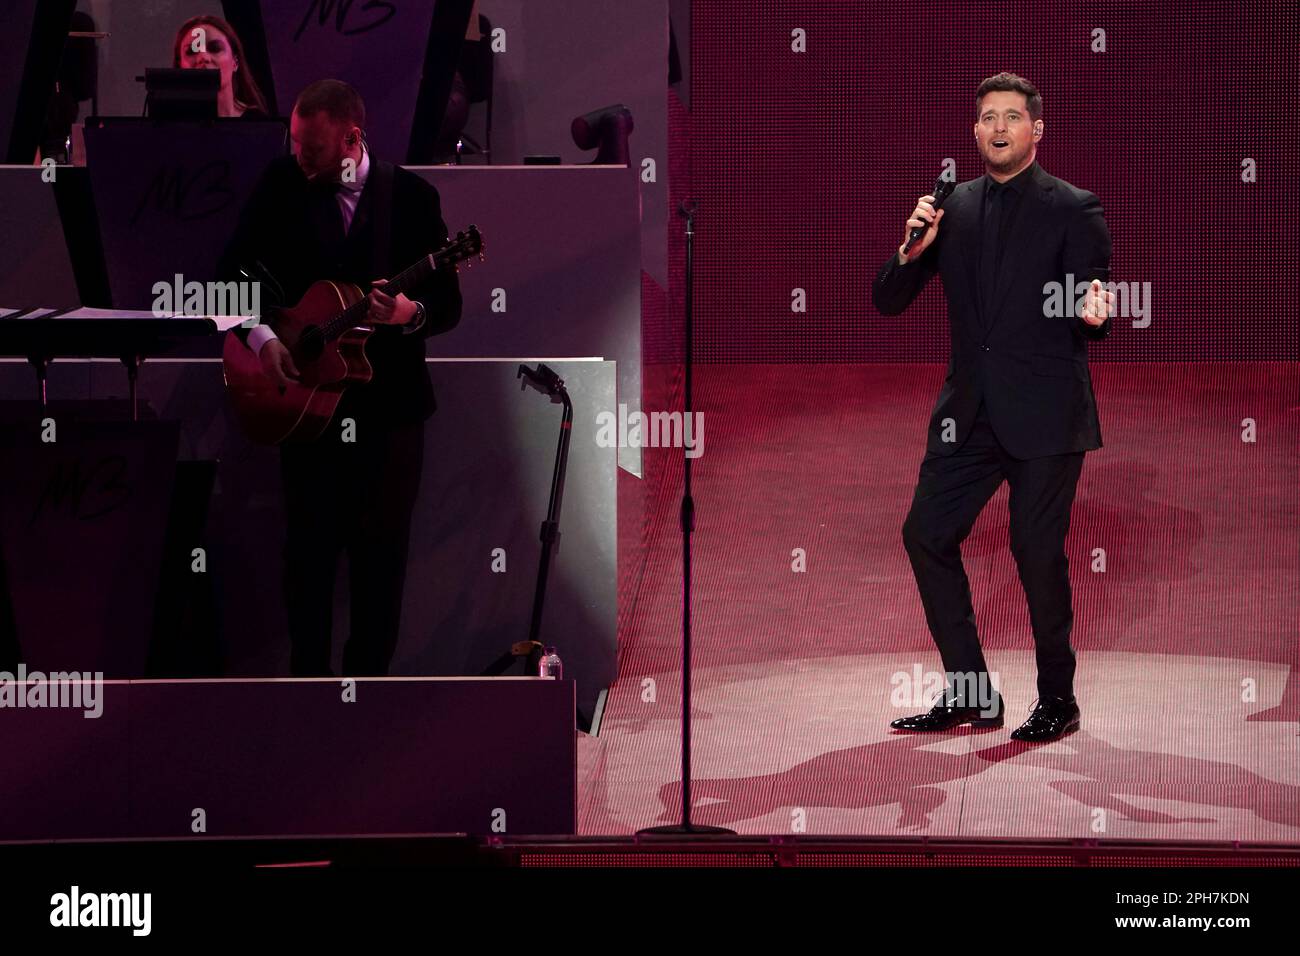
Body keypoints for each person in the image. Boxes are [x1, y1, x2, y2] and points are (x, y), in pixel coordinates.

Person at [872, 72, 1115, 743]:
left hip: (1046, 414)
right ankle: (972, 693)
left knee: (1036, 551)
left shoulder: (1074, 207)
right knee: (926, 534)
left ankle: (1057, 700)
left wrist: (1092, 309)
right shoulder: (953, 207)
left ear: (1037, 129)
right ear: (975, 131)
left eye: (1012, 116)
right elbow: (887, 299)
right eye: (987, 117)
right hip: (969, 414)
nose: (999, 127)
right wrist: (908, 246)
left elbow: (1090, 302)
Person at [218, 79, 462, 676]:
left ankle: (367, 706)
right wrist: (263, 338)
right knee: (306, 566)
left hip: (390, 418)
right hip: (306, 414)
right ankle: (308, 701)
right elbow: (225, 279)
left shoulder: (411, 197)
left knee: (381, 568)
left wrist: (408, 314)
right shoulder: (282, 184)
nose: (300, 156)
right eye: (296, 142)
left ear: (353, 138)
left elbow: (448, 306)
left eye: (314, 147)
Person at [173, 15, 270, 118]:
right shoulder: (170, 128)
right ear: (180, 66)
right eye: (191, 51)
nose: (203, 57)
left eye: (215, 48)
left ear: (235, 62)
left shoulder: (258, 124)